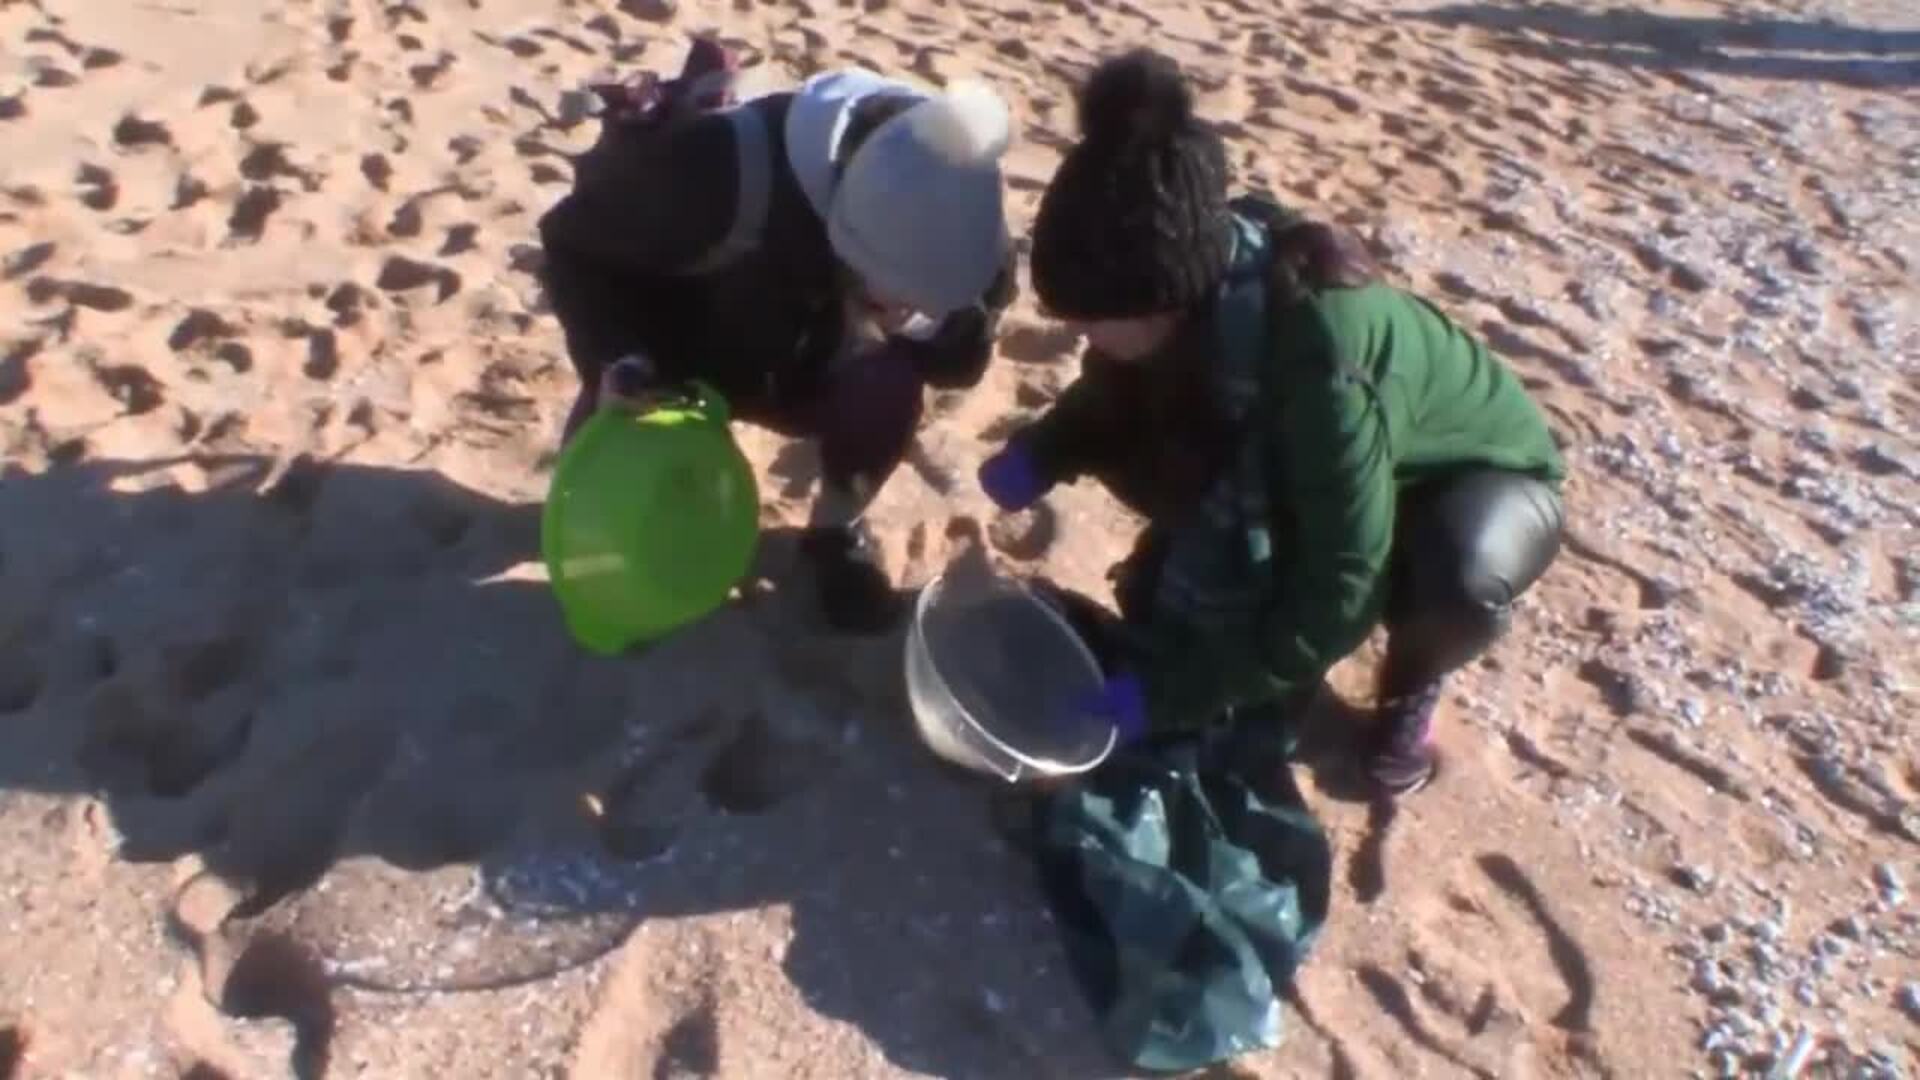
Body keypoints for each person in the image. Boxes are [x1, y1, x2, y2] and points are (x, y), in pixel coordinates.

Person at [978, 49, 1566, 795]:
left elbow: (1339, 589)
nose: (1086, 340)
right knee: (1179, 546)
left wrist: (1171, 695)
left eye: (1098, 322)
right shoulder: (1196, 283)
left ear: (1163, 306)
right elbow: (1112, 396)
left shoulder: (1322, 360)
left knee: (1454, 575)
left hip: (1475, 479)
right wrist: (1043, 450)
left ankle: (1415, 686)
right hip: (1333, 457)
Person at [539, 40, 1018, 633]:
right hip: (676, 355)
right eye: (890, 289)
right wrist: (615, 359)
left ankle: (835, 530)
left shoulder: (966, 211)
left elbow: (960, 363)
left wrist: (926, 323)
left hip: (812, 367)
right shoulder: (714, 172)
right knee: (600, 515)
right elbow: (570, 245)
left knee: (890, 385)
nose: (902, 306)